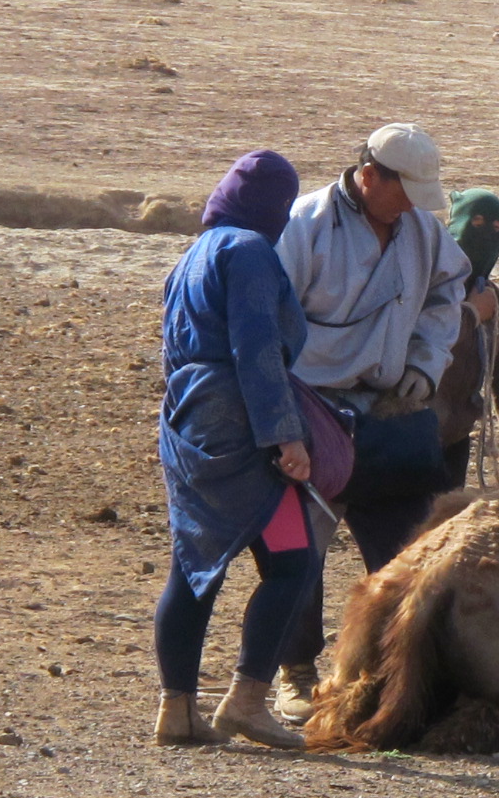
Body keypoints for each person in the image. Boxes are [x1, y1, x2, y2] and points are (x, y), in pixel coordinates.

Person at [270, 123, 470, 718]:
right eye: (403, 188)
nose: (412, 203)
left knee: (408, 547)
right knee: (299, 546)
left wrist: (425, 365)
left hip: (387, 414)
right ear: (369, 175)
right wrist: (281, 420)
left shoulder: (423, 233)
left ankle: (395, 671)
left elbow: (449, 294)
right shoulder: (303, 228)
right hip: (311, 407)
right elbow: (271, 322)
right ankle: (295, 674)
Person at [152, 150, 321, 750]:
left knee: (192, 566)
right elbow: (256, 351)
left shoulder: (192, 256)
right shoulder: (249, 253)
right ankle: (247, 700)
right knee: (294, 561)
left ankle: (177, 711)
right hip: (245, 427)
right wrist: (286, 435)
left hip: (189, 418)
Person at [436, 187, 499, 487]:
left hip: (454, 439)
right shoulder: (429, 283)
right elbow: (425, 339)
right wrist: (471, 314)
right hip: (409, 433)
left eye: (496, 229)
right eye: (476, 225)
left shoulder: (493, 299)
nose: (486, 237)